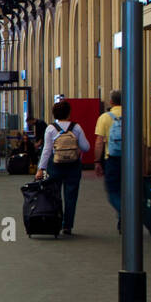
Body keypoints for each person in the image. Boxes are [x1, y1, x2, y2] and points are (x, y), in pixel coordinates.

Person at [35, 100, 91, 236]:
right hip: (73, 166)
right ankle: (68, 226)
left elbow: (47, 150)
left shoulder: (50, 128)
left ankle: (56, 222)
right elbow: (86, 147)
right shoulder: (76, 127)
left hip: (55, 165)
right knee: (71, 196)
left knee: (54, 195)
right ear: (69, 113)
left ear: (54, 114)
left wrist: (40, 168)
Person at [93, 90, 122, 231]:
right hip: (130, 160)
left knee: (112, 191)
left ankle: (124, 213)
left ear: (111, 102)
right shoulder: (132, 113)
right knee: (128, 189)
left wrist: (97, 162)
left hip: (112, 159)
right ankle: (128, 213)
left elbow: (99, 142)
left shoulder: (105, 117)